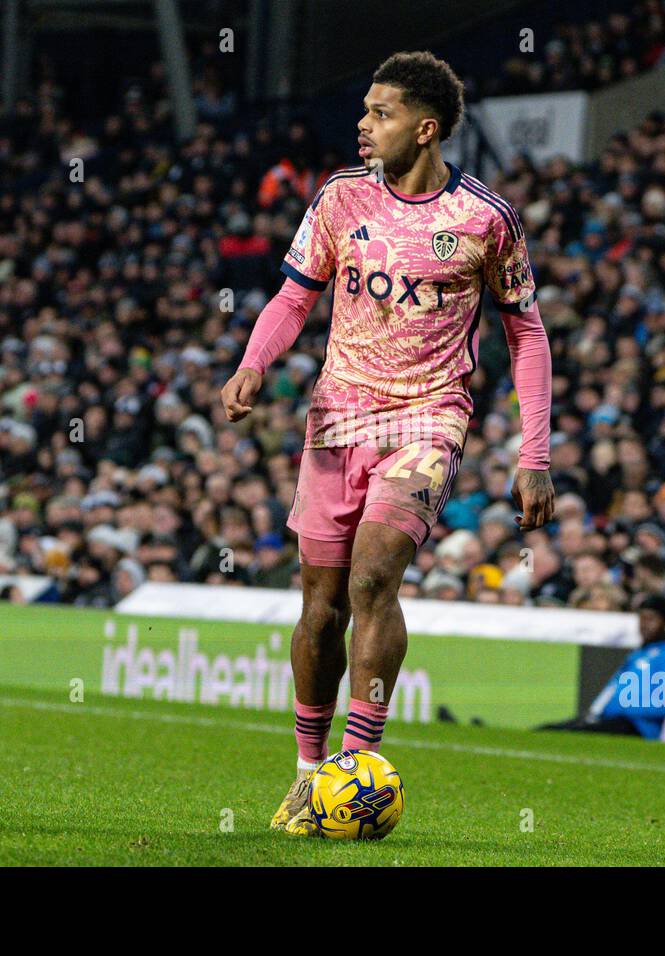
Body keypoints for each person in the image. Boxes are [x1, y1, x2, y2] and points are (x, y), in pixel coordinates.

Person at [220, 51, 554, 836]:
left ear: (425, 127)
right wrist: (252, 364)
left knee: (373, 579)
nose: (363, 126)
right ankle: (309, 775)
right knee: (321, 605)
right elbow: (293, 296)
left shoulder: (484, 219)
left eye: (380, 113)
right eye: (365, 111)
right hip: (336, 417)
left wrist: (533, 455)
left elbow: (527, 334)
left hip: (428, 418)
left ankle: (358, 765)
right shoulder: (339, 198)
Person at [541, 595, 665, 738]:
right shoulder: (640, 652)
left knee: (572, 735)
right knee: (549, 730)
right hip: (611, 719)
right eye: (641, 619)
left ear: (664, 622)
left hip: (637, 727)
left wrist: (624, 709)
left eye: (651, 619)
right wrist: (596, 711)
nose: (644, 625)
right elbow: (613, 687)